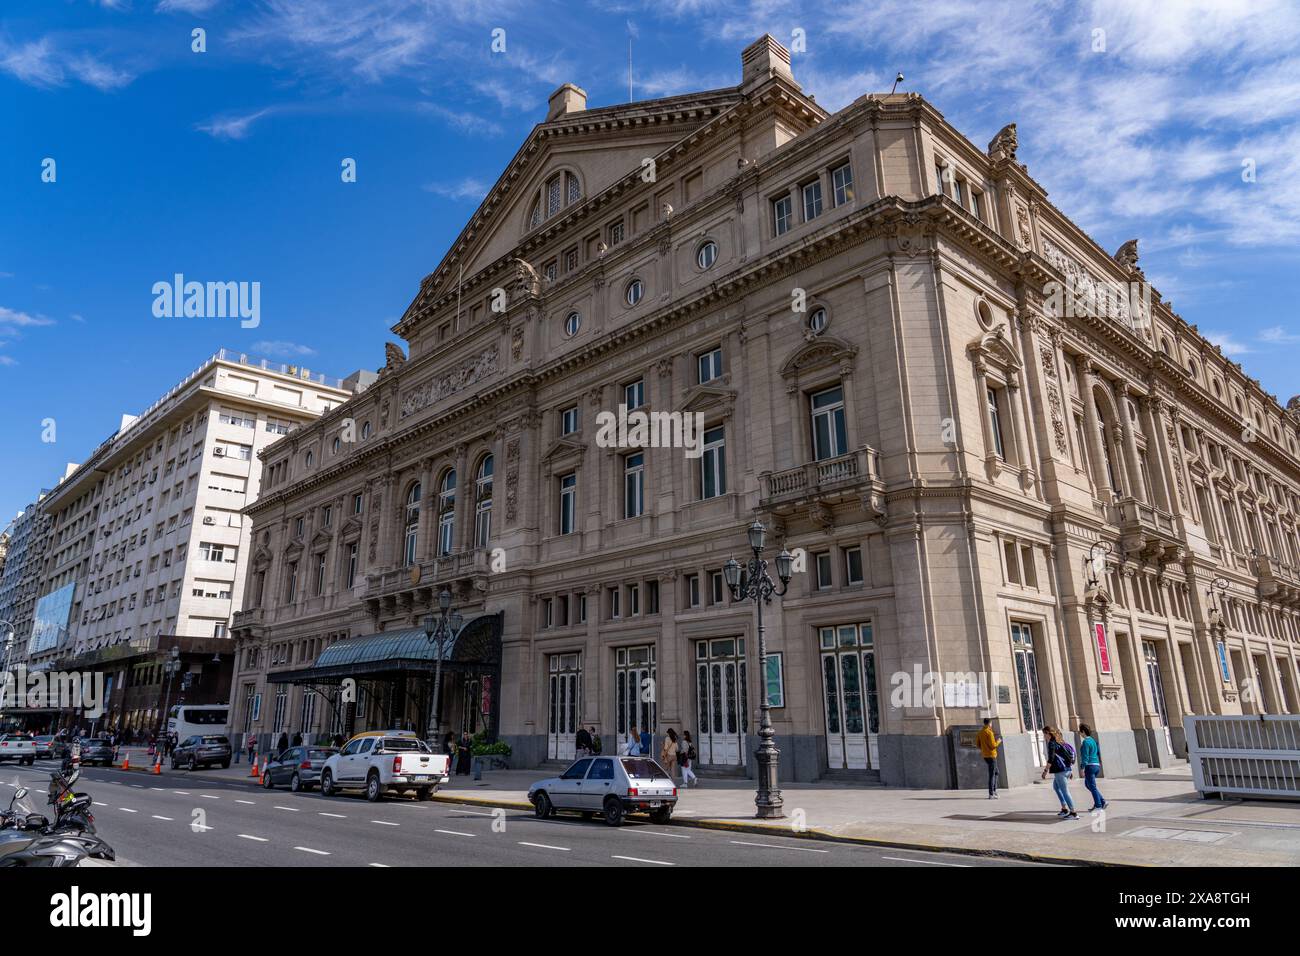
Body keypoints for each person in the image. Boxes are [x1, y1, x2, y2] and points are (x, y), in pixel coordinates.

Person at [1041, 726, 1078, 819]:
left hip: (1060, 771)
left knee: (1065, 791)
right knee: (1056, 787)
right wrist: (1070, 770)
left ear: (1048, 733)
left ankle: (1073, 813)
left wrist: (1045, 771)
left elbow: (1051, 759)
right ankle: (1064, 808)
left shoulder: (1052, 743)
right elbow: (1067, 757)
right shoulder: (1060, 741)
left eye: (1044, 734)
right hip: (1066, 770)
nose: (1044, 736)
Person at [1078, 723, 1107, 811]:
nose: (1080, 733)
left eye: (1080, 731)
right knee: (1088, 785)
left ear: (1083, 732)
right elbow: (1097, 752)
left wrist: (1082, 768)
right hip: (1096, 765)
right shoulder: (1093, 741)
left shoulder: (1086, 742)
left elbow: (1085, 756)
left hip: (1090, 766)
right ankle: (1101, 801)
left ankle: (1098, 806)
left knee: (1092, 786)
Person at [976, 718, 1002, 799]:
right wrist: (998, 741)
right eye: (991, 723)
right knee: (992, 774)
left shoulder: (980, 732)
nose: (991, 725)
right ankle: (991, 793)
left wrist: (984, 749)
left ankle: (994, 791)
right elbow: (993, 745)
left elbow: (977, 744)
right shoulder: (989, 732)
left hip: (985, 755)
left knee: (996, 772)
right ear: (989, 723)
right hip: (991, 755)